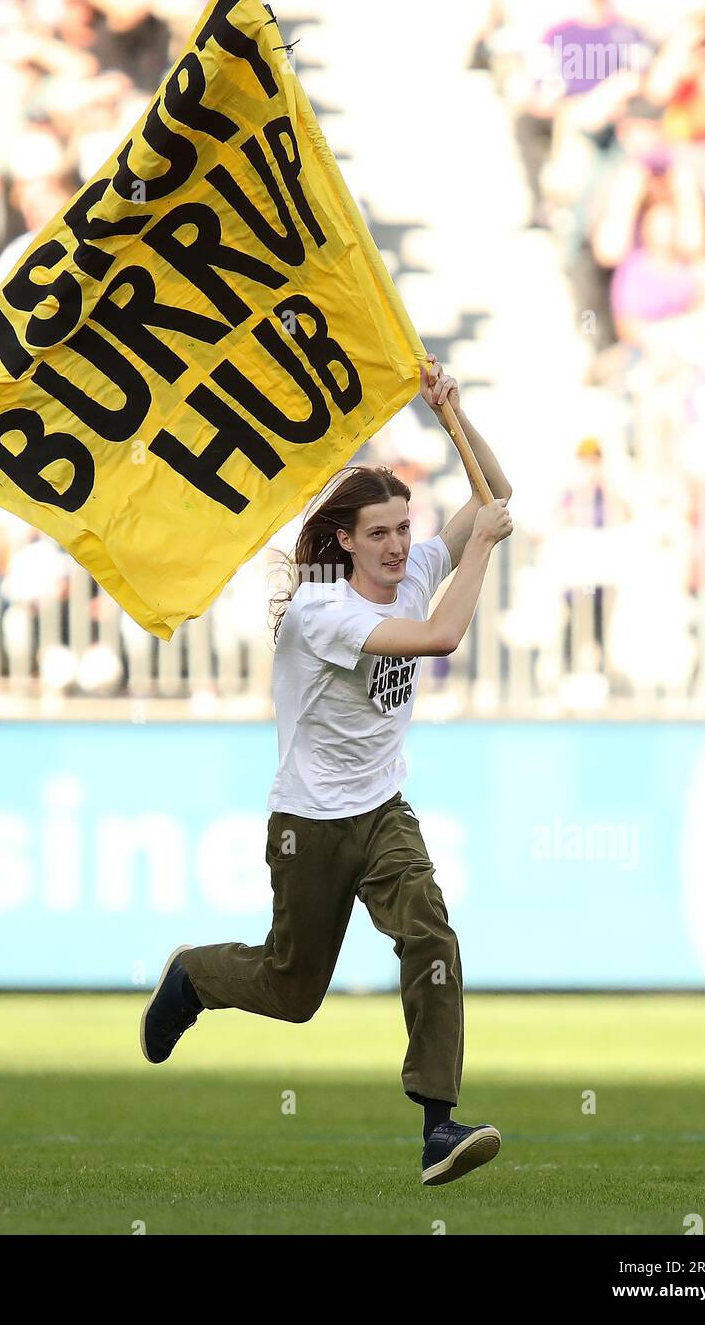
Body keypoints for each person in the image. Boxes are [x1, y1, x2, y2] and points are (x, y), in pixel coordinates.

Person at [140, 355, 514, 1187]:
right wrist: (481, 549)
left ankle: (437, 1127)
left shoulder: (414, 570)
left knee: (430, 935)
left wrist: (455, 413)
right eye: (376, 533)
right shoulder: (321, 610)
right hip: (309, 822)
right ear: (344, 540)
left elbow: (496, 494)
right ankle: (194, 975)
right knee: (292, 988)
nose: (396, 547)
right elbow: (441, 637)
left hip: (383, 809)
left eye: (403, 531)